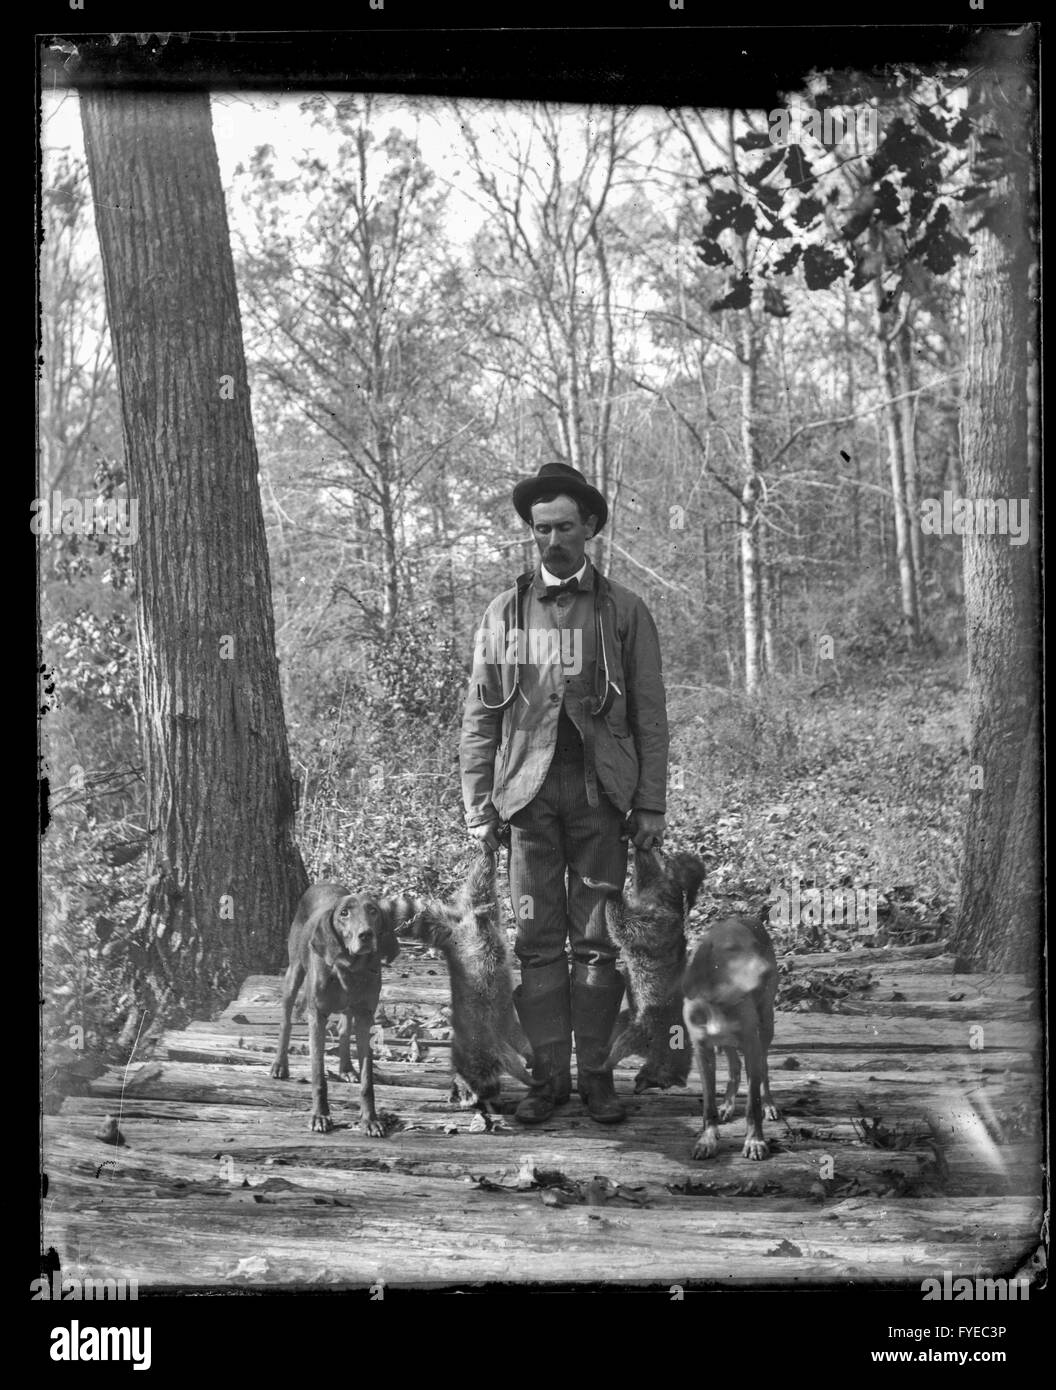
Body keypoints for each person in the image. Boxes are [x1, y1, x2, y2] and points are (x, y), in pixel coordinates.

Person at [460, 461, 669, 1125]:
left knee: (599, 939)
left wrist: (651, 805)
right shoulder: (505, 611)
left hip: (599, 798)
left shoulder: (625, 611)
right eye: (541, 528)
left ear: (591, 531)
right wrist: (476, 806)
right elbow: (479, 715)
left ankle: (598, 1077)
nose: (552, 539)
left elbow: (650, 716)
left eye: (566, 527)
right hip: (526, 801)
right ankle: (549, 1080)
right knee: (536, 941)